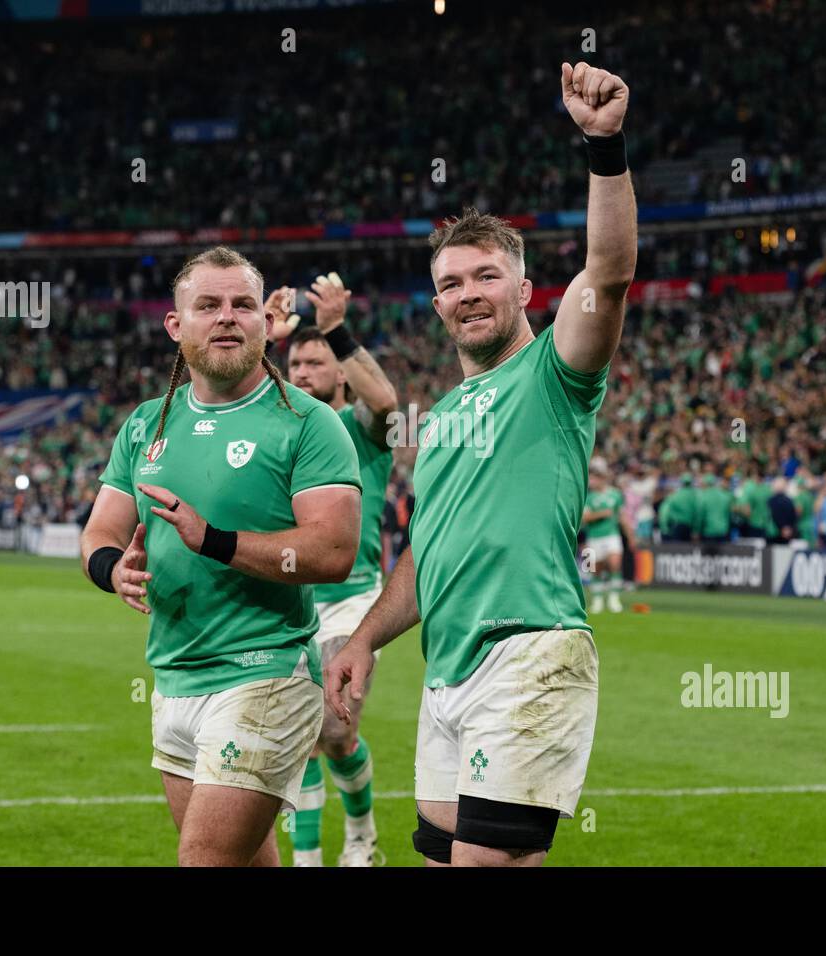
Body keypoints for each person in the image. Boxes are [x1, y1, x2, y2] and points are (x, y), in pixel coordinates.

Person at [326, 61, 636, 867]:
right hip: (447, 674)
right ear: (435, 305)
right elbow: (425, 561)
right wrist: (364, 639)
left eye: (486, 276)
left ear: (525, 288)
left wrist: (604, 148)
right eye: (451, 282)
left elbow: (607, 270)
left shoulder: (555, 375)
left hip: (528, 653)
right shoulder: (442, 421)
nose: (469, 293)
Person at [79, 246, 363, 866]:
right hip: (175, 676)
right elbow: (100, 531)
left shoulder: (309, 422)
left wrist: (214, 541)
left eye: (242, 305)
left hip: (264, 672)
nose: (227, 317)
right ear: (177, 327)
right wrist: (112, 570)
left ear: (266, 322)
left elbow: (333, 551)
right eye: (208, 305)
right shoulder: (145, 427)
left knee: (204, 860)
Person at [280, 272, 399, 867]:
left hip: (353, 601)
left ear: (340, 371)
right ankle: (309, 858)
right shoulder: (286, 430)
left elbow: (387, 404)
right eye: (294, 362)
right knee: (298, 742)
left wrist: (337, 330)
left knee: (332, 731)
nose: (301, 372)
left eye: (314, 360)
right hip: (288, 601)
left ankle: (361, 835)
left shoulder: (359, 429)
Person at [582, 456, 626, 613]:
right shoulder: (588, 497)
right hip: (594, 536)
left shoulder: (615, 494)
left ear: (603, 478)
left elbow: (622, 516)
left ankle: (614, 599)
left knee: (615, 564)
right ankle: (598, 600)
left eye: (596, 477)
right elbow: (585, 518)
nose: (593, 481)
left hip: (611, 535)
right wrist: (601, 514)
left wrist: (630, 535)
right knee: (596, 569)